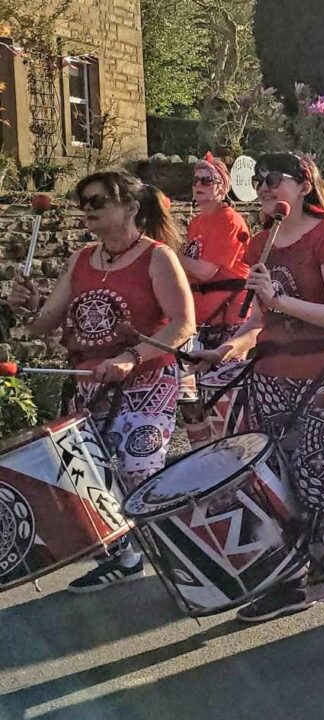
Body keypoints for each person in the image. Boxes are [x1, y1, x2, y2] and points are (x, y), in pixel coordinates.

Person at [191, 153, 324, 621]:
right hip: (271, 376)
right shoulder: (262, 243)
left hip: (323, 375)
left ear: (304, 185)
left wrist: (279, 298)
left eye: (272, 179)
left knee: (320, 478)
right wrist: (232, 347)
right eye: (257, 180)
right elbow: (258, 318)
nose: (263, 188)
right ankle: (289, 583)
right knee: (277, 479)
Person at [8, 171, 195, 591]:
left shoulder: (158, 257)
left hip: (146, 382)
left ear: (130, 208)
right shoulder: (80, 260)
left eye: (98, 201)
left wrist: (131, 358)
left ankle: (186, 559)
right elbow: (42, 325)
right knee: (90, 477)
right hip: (89, 381)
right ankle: (124, 558)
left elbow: (183, 324)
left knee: (136, 471)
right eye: (84, 202)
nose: (87, 209)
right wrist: (25, 306)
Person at [178, 156, 251, 445]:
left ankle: (235, 456)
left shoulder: (229, 219)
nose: (199, 185)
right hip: (200, 321)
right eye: (196, 180)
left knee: (223, 398)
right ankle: (202, 452)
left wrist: (168, 256)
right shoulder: (197, 222)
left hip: (229, 321)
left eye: (206, 180)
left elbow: (205, 271)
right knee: (190, 396)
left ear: (222, 187)